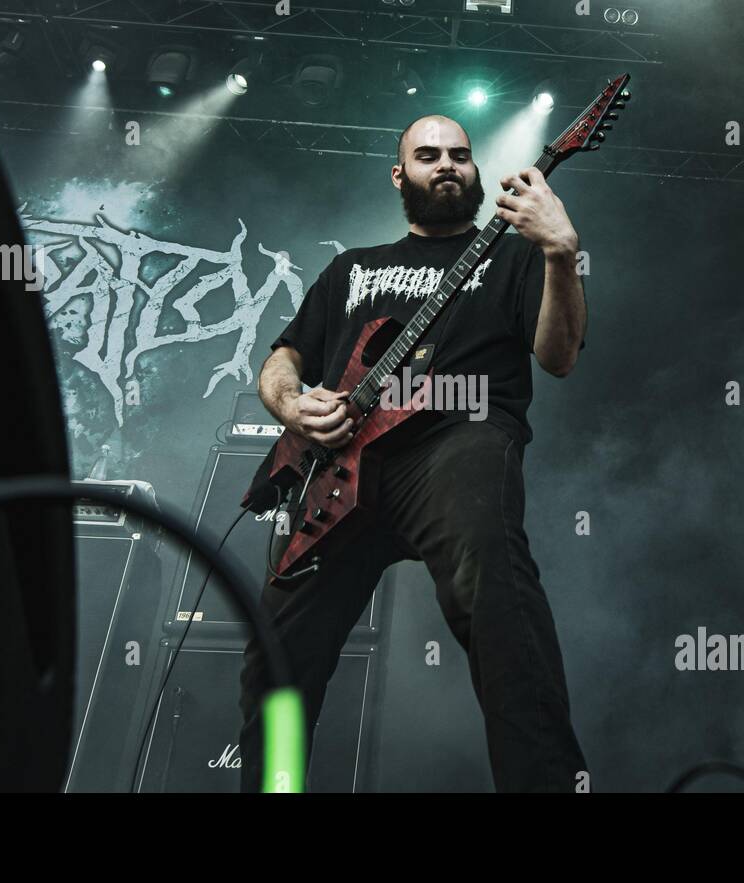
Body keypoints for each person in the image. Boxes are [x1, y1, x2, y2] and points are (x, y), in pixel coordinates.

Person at [237, 114, 588, 792]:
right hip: (338, 468)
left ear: (478, 173)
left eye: (460, 154)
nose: (447, 164)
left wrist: (561, 250)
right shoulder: (352, 269)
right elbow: (282, 358)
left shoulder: (514, 256)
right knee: (276, 661)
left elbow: (560, 357)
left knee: (497, 595)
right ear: (401, 175)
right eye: (428, 155)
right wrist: (291, 404)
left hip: (456, 441)